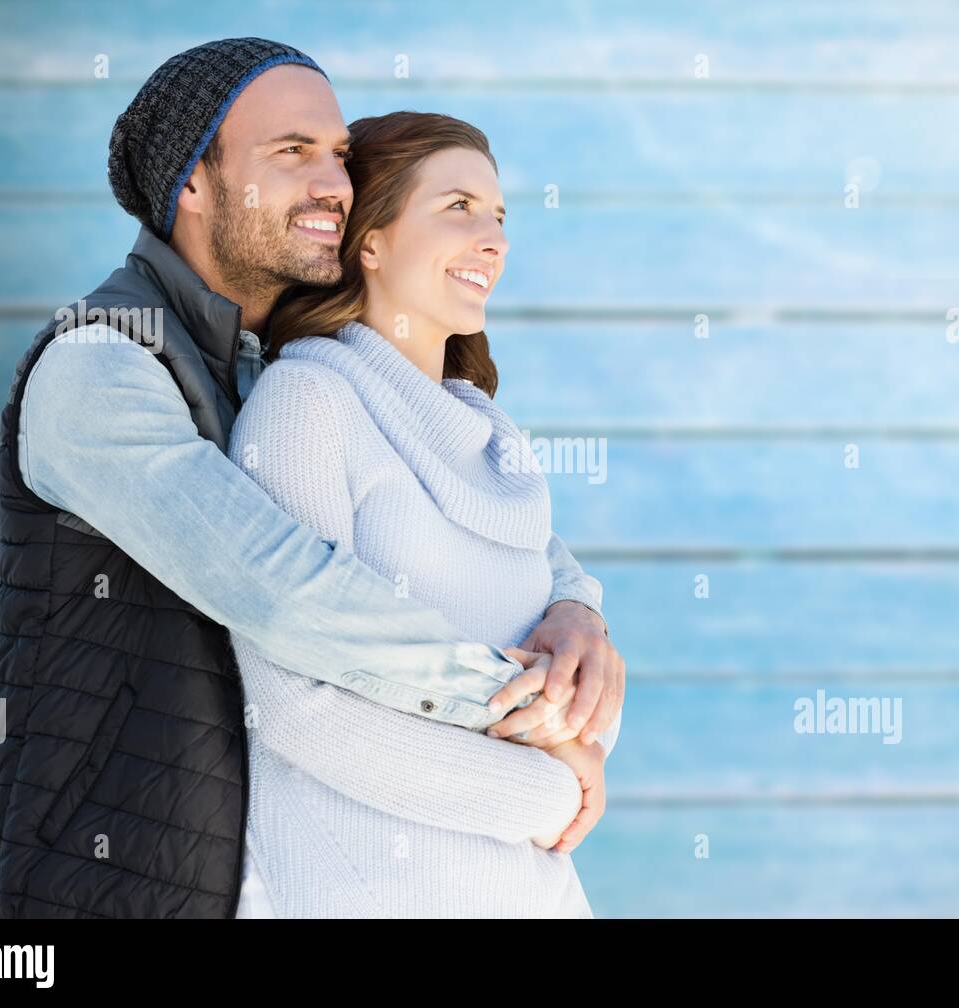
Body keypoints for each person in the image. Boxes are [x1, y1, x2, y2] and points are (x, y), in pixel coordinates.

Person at [0, 37, 624, 919]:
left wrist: (576, 607)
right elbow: (285, 587)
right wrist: (524, 715)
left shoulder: (260, 368)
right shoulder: (99, 366)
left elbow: (464, 517)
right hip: (95, 889)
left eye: (339, 157)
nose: (333, 185)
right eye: (291, 152)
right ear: (190, 184)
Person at [229, 111, 623, 917]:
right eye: (459, 207)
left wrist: (582, 617)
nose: (494, 239)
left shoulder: (491, 437)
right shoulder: (307, 404)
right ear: (368, 241)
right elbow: (295, 709)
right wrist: (549, 796)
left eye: (501, 217)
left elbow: (564, 700)